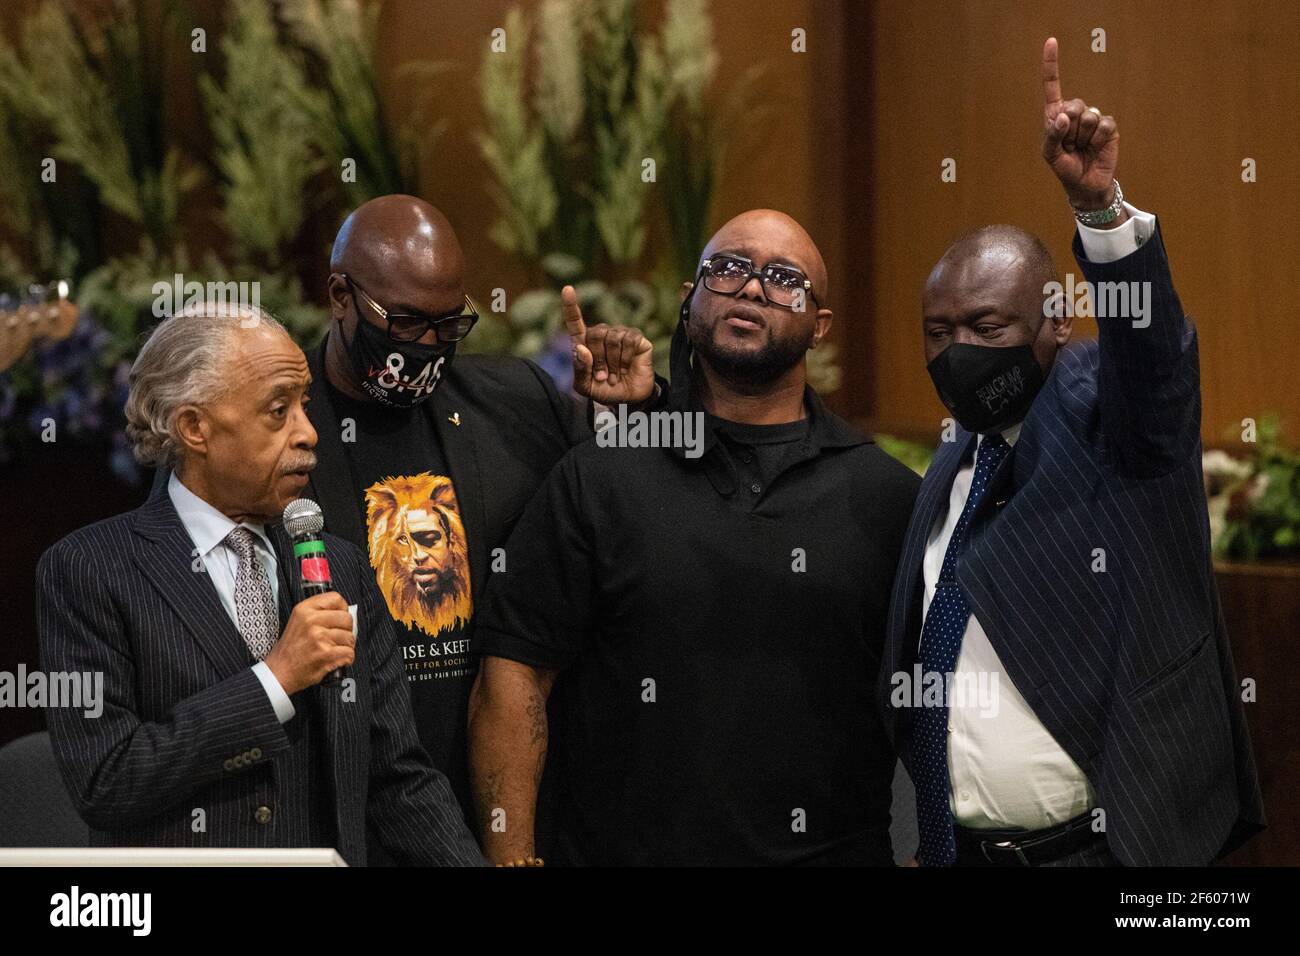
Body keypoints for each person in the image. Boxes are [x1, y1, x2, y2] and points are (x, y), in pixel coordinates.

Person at [149, 196, 660, 851]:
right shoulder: (253, 428)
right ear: (339, 294)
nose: (428, 345)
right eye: (408, 321)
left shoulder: (517, 403)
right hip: (327, 813)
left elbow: (618, 536)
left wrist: (631, 416)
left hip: (497, 806)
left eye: (450, 324)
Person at [881, 38, 1265, 867]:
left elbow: (1154, 363)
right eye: (939, 333)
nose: (959, 352)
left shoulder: (1115, 424)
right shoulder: (955, 462)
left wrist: (1099, 211)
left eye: (988, 329)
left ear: (1058, 321)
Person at [468, 209, 921, 865]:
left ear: (820, 326)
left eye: (784, 278)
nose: (753, 288)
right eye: (729, 268)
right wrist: (512, 859)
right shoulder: (600, 478)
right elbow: (514, 674)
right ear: (690, 300)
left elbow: (932, 694)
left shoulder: (883, 497)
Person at [38, 305, 483, 865]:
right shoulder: (89, 569)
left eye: (304, 404)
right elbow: (107, 781)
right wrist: (275, 680)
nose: (308, 432)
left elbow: (397, 778)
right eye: (279, 411)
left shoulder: (339, 567)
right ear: (194, 428)